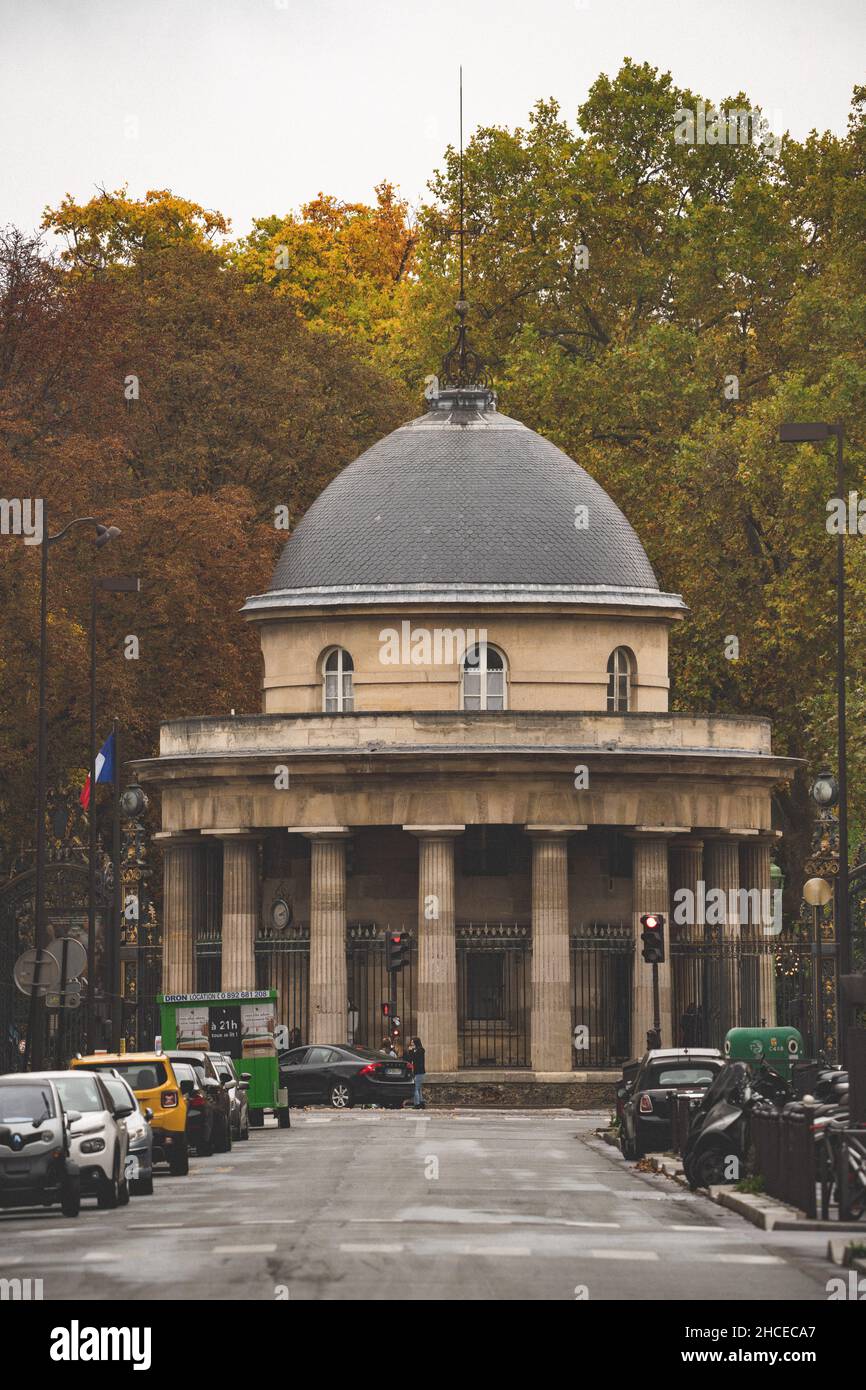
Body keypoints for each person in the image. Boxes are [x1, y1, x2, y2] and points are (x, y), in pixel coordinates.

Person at [407, 1036, 426, 1109]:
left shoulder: (420, 1050)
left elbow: (415, 1058)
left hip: (419, 1072)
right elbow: (410, 1059)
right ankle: (421, 1102)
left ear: (416, 1042)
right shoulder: (416, 1050)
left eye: (412, 1042)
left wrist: (411, 1051)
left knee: (415, 1088)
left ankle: (417, 1104)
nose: (411, 1044)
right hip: (417, 1071)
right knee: (418, 1088)